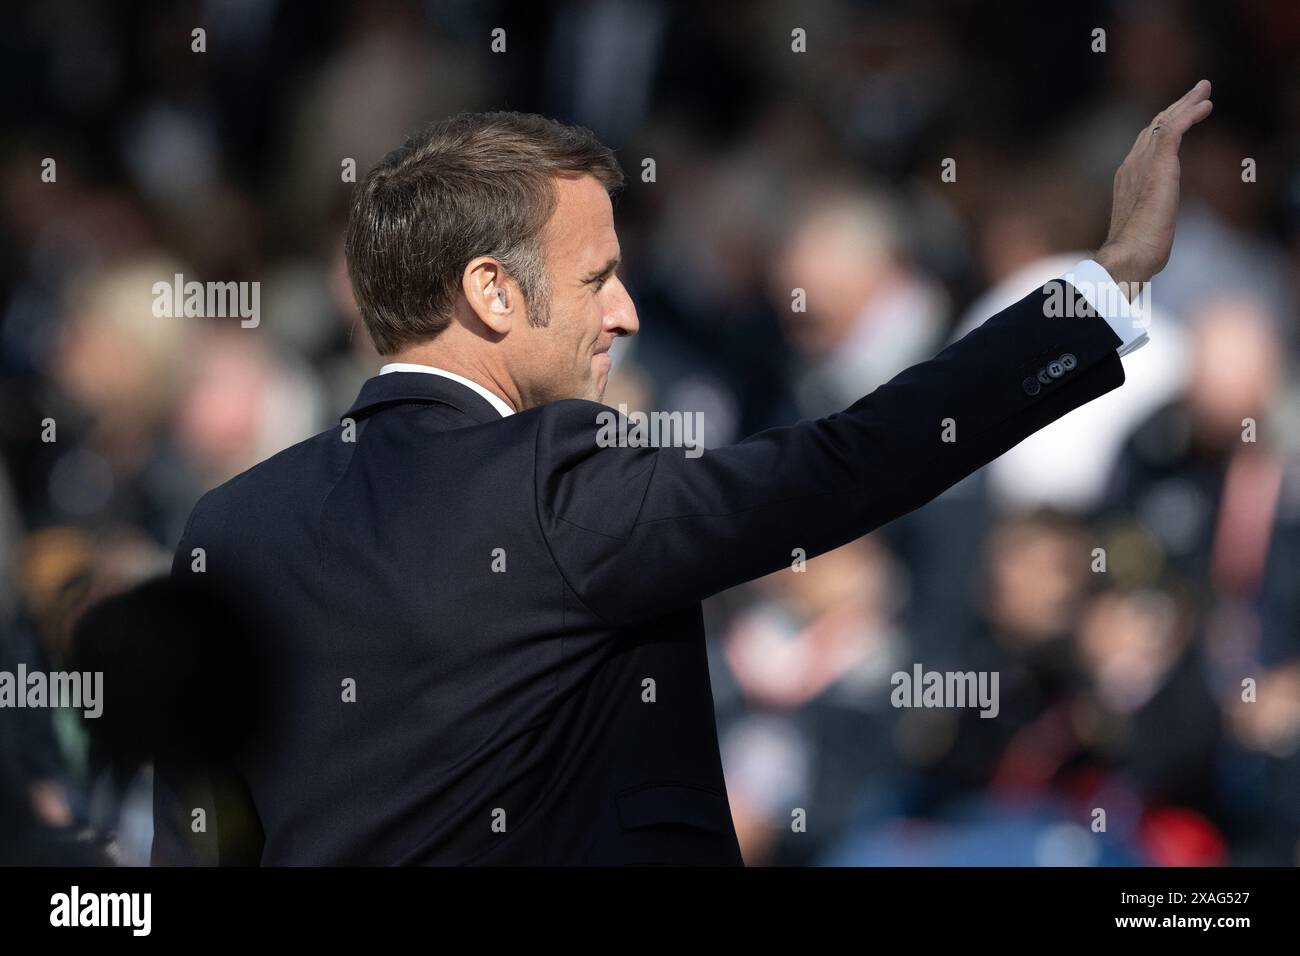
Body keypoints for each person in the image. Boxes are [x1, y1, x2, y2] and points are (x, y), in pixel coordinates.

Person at [153, 82, 1214, 865]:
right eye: (596, 277)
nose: (626, 312)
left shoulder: (228, 524)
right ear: (491, 292)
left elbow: (191, 855)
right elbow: (850, 458)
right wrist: (1108, 281)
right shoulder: (557, 480)